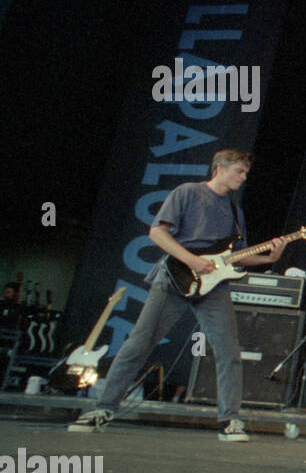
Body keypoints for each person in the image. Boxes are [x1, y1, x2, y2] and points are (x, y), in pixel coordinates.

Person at [68, 148, 287, 441]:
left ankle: (229, 421)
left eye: (246, 172)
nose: (244, 177)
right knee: (139, 344)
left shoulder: (236, 212)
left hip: (214, 287)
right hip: (174, 279)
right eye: (239, 171)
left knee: (228, 352)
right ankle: (102, 409)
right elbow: (157, 233)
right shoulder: (187, 192)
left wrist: (268, 259)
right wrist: (191, 260)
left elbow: (234, 256)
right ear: (219, 169)